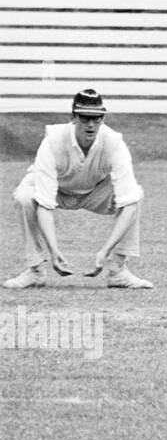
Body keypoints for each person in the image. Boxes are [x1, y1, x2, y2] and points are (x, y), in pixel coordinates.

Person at [5, 89, 152, 290]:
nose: (91, 124)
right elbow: (45, 203)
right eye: (84, 118)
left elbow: (128, 203)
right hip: (58, 191)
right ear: (73, 117)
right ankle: (35, 270)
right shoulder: (53, 141)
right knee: (24, 196)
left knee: (134, 195)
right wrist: (53, 250)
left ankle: (118, 271)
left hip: (95, 191)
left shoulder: (114, 142)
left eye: (97, 118)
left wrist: (105, 252)